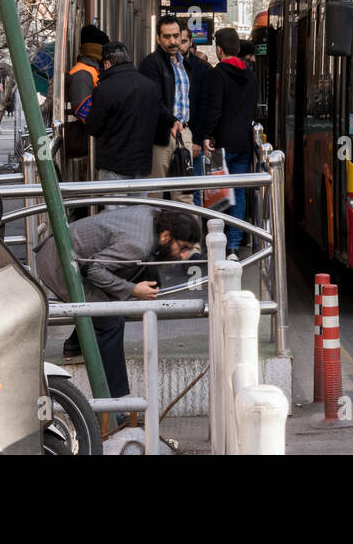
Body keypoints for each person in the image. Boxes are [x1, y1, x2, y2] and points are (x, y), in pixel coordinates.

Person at [37, 207, 200, 396]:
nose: (184, 256)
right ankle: (116, 404)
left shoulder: (153, 217)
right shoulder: (139, 244)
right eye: (183, 248)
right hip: (59, 264)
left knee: (148, 276)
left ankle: (76, 342)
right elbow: (94, 270)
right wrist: (133, 290)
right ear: (165, 236)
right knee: (110, 321)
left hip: (71, 255)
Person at [201, 28, 259, 260]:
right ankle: (234, 246)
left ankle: (218, 242)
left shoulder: (218, 74)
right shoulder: (251, 75)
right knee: (239, 194)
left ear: (219, 50)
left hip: (220, 144)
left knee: (219, 194)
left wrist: (206, 135)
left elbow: (214, 109)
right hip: (243, 143)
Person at [85, 41, 170, 185]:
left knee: (116, 207)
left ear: (107, 64)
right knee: (138, 207)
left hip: (114, 164)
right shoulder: (149, 86)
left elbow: (93, 127)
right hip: (142, 164)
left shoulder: (105, 89)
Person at [139, 14, 200, 205]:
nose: (172, 41)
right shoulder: (151, 63)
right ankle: (155, 235)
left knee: (185, 195)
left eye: (176, 36)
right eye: (167, 37)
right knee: (156, 194)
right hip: (162, 135)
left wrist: (191, 133)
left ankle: (185, 236)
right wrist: (171, 121)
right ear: (158, 38)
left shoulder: (183, 64)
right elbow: (153, 101)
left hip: (184, 132)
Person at [177, 21, 214, 204]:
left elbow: (204, 106)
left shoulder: (202, 68)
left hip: (192, 136)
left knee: (192, 191)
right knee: (167, 189)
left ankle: (193, 231)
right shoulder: (163, 65)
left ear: (191, 42)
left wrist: (198, 140)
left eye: (183, 41)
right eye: (177, 39)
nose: (179, 45)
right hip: (168, 136)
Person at [65, 24, 109, 161]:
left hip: (88, 141)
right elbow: (84, 112)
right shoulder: (82, 73)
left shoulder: (91, 70)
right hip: (82, 144)